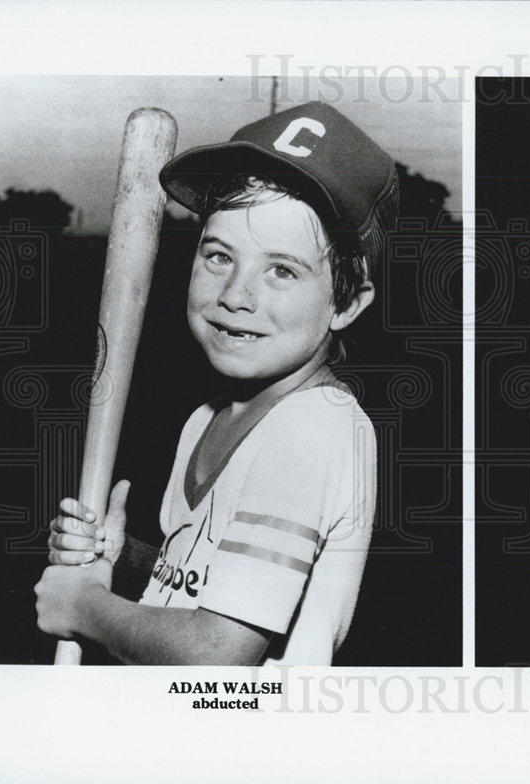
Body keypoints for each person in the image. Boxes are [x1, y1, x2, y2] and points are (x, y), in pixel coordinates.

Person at [34, 101, 398, 665]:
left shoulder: (313, 430)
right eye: (219, 255)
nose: (235, 294)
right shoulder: (208, 417)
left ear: (347, 303)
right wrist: (124, 557)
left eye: (282, 270)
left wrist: (84, 607)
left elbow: (219, 655)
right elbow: (201, 579)